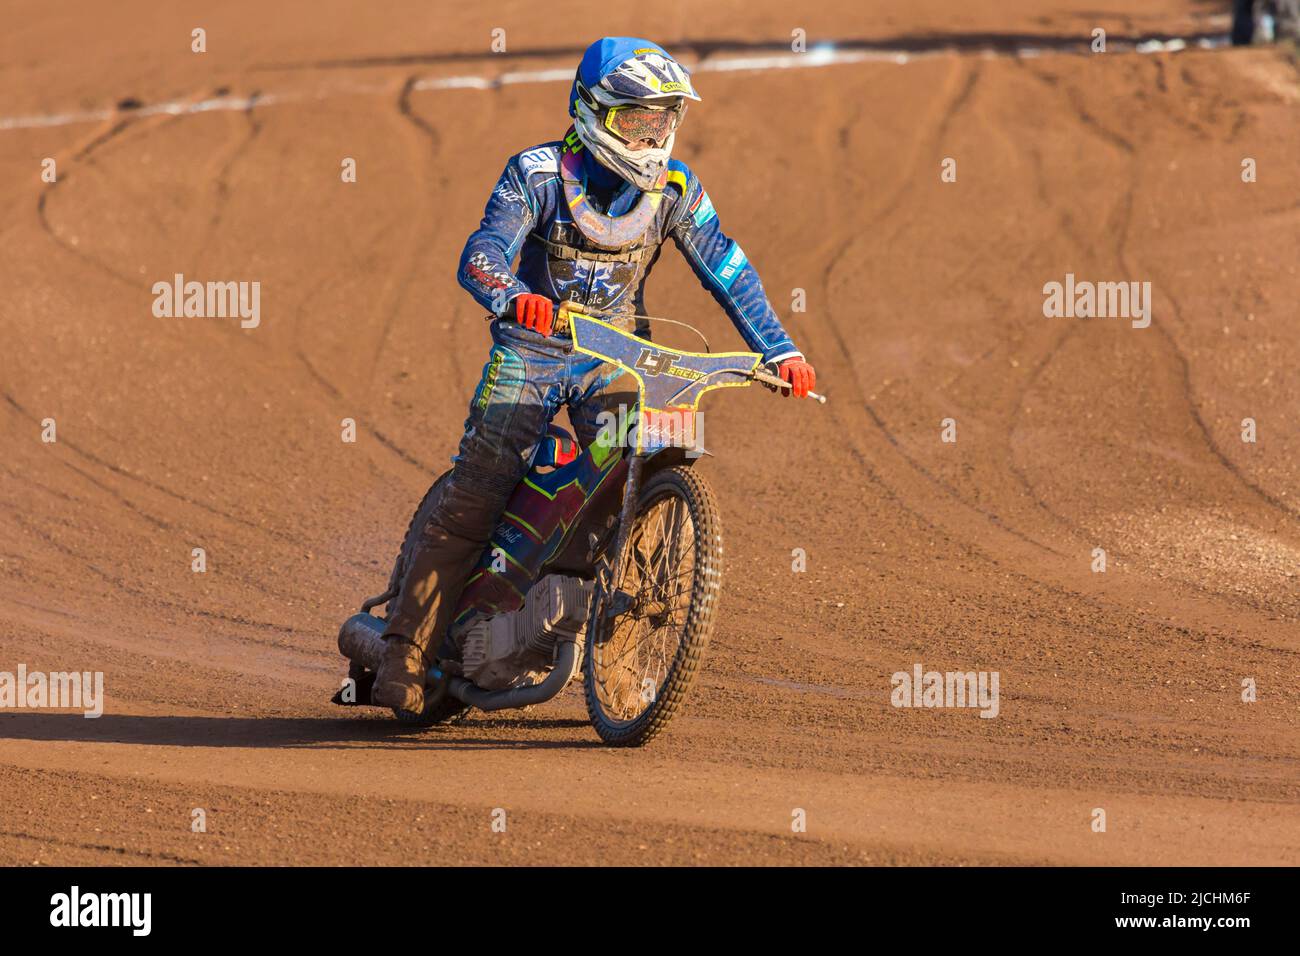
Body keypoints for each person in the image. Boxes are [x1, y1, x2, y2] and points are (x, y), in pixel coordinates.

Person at [372, 36, 816, 712]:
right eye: (634, 121)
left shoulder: (676, 190)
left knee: (637, 460)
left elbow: (728, 269)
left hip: (617, 357)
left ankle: (609, 641)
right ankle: (404, 649)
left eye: (661, 121)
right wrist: (511, 295)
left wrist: (780, 351)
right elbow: (482, 253)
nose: (650, 138)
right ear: (591, 111)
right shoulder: (537, 173)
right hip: (531, 351)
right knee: (479, 490)